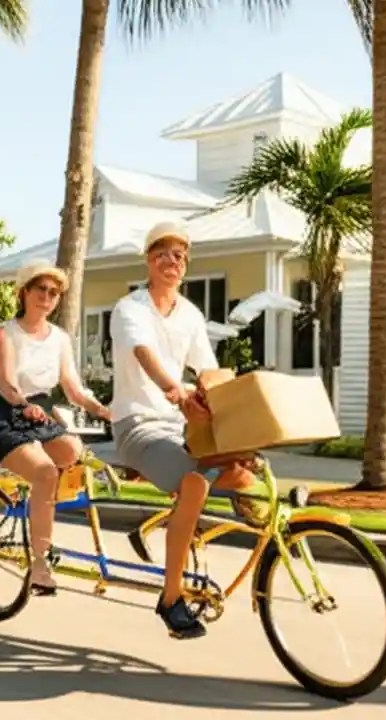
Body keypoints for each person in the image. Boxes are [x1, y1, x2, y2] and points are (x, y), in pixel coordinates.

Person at [109, 221, 263, 640]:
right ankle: (171, 599)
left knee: (245, 469)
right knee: (195, 484)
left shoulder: (190, 314)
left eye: (178, 255)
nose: (171, 261)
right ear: (148, 260)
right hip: (136, 423)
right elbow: (142, 352)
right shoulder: (131, 310)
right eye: (162, 253)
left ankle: (162, 525)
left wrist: (238, 405)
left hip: (178, 423)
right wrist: (172, 388)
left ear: (185, 264)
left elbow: (208, 371)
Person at [0, 259, 112, 596]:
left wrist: (102, 409)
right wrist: (25, 406)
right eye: (41, 289)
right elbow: (7, 384)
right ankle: (40, 565)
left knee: (74, 452)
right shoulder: (5, 333)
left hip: (40, 416)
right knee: (46, 473)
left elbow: (72, 387)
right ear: (24, 292)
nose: (48, 297)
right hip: (7, 416)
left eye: (55, 293)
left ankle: (38, 503)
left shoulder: (59, 338)